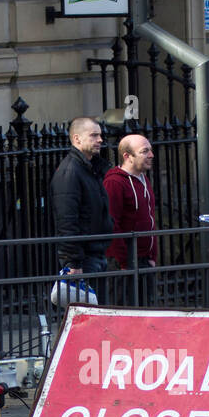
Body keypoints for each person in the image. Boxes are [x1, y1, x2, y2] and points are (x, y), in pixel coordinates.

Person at [50, 116, 113, 299]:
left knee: (99, 315)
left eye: (100, 135)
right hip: (84, 259)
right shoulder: (70, 172)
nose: (100, 140)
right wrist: (73, 262)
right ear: (77, 139)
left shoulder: (90, 169)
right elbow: (66, 220)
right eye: (94, 135)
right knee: (89, 318)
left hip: (96, 253)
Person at [104, 133, 158, 272]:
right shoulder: (114, 182)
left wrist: (152, 256)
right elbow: (111, 224)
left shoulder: (143, 179)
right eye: (144, 151)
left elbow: (151, 219)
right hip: (124, 263)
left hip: (144, 259)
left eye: (150, 150)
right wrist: (123, 262)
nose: (151, 155)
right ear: (127, 156)